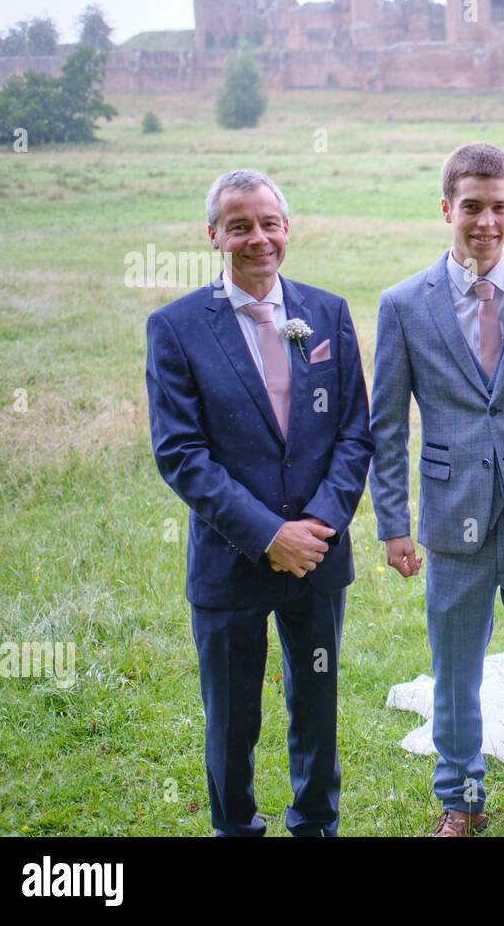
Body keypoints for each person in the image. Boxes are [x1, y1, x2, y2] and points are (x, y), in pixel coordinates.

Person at [145, 169, 374, 836]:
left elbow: (354, 431)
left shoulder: (326, 311)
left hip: (317, 558)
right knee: (232, 719)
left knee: (317, 708)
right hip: (230, 561)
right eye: (239, 226)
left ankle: (314, 825)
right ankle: (235, 827)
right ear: (213, 235)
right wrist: (269, 534)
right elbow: (181, 453)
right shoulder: (177, 327)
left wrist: (320, 524)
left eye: (269, 223)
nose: (257, 238)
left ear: (286, 228)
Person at [369, 143, 504, 837]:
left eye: (498, 208)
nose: (484, 222)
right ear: (446, 209)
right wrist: (394, 524)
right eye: (471, 208)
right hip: (452, 514)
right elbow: (387, 422)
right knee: (454, 666)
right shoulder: (403, 305)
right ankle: (460, 797)